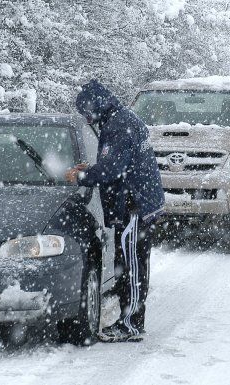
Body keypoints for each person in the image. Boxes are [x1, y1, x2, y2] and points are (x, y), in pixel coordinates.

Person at [65, 79, 165, 343]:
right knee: (131, 265)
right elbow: (117, 162)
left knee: (132, 267)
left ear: (96, 105)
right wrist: (96, 167)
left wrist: (83, 176)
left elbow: (114, 169)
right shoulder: (122, 119)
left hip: (135, 206)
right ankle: (129, 319)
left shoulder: (118, 125)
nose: (86, 118)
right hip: (138, 202)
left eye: (86, 111)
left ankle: (131, 325)